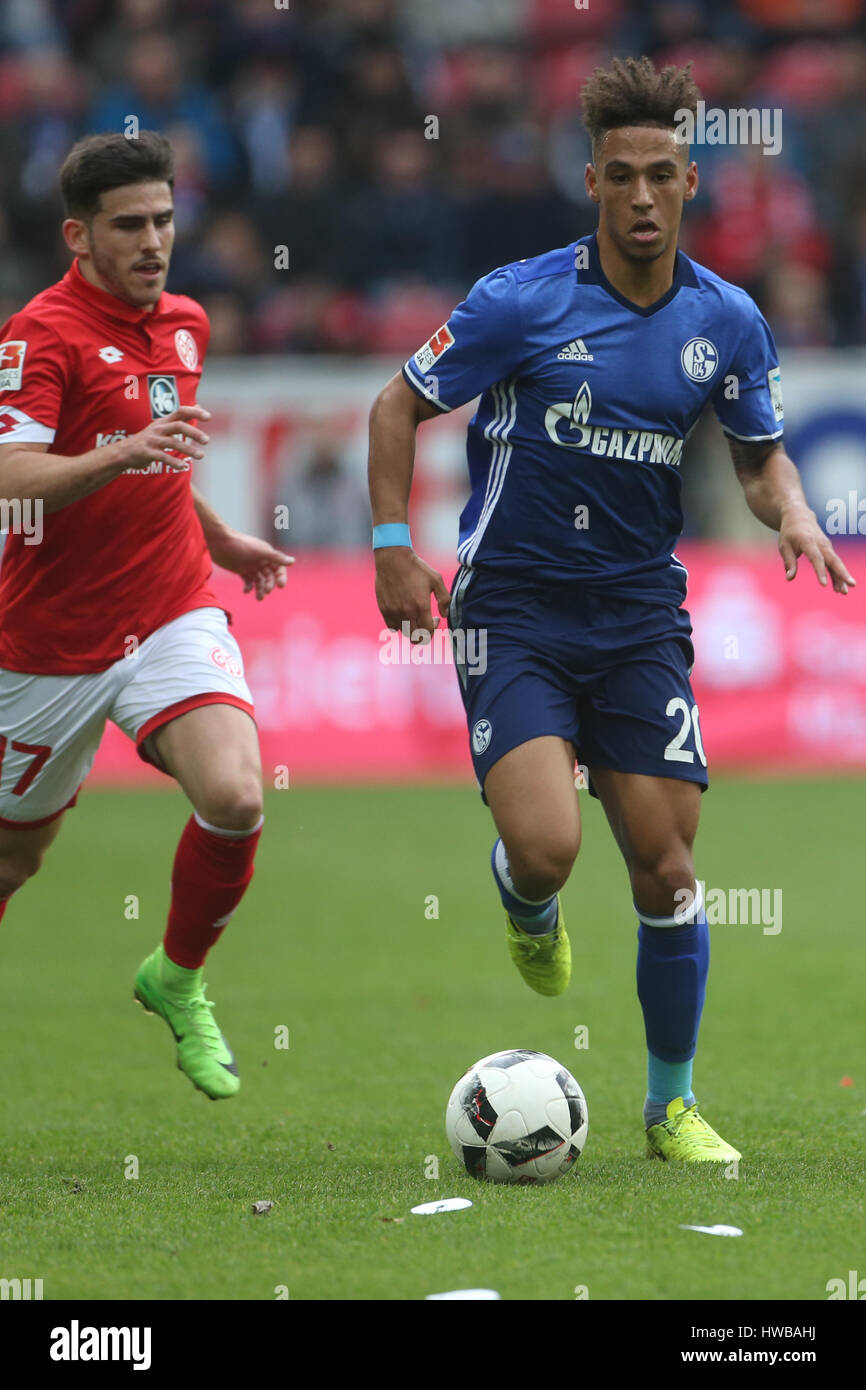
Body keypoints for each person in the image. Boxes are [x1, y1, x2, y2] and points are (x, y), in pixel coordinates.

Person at [368, 57, 854, 1162]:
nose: (640, 197)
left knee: (667, 869)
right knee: (546, 848)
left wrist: (792, 513)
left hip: (638, 617)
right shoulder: (517, 301)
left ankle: (669, 1104)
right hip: (518, 611)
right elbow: (395, 405)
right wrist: (395, 549)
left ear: (691, 180)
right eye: (619, 176)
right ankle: (521, 897)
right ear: (590, 180)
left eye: (660, 177)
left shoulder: (725, 322)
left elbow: (758, 460)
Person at [0, 131, 291, 1101]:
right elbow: (12, 479)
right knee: (15, 862)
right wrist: (116, 454)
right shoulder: (39, 336)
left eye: (165, 219)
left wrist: (219, 539)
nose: (154, 240)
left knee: (237, 795)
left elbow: (161, 456)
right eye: (130, 225)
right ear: (79, 236)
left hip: (168, 608)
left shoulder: (186, 323)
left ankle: (176, 974)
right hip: (47, 642)